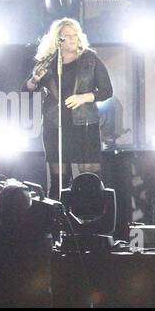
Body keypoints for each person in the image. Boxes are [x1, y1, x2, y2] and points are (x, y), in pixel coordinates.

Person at [26, 18, 113, 199]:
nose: (73, 39)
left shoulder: (90, 58)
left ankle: (91, 218)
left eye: (75, 35)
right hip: (55, 124)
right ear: (58, 39)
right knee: (58, 180)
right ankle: (59, 219)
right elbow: (26, 90)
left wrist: (84, 97)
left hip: (85, 124)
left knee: (90, 178)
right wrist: (34, 79)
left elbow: (107, 90)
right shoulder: (48, 61)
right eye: (67, 36)